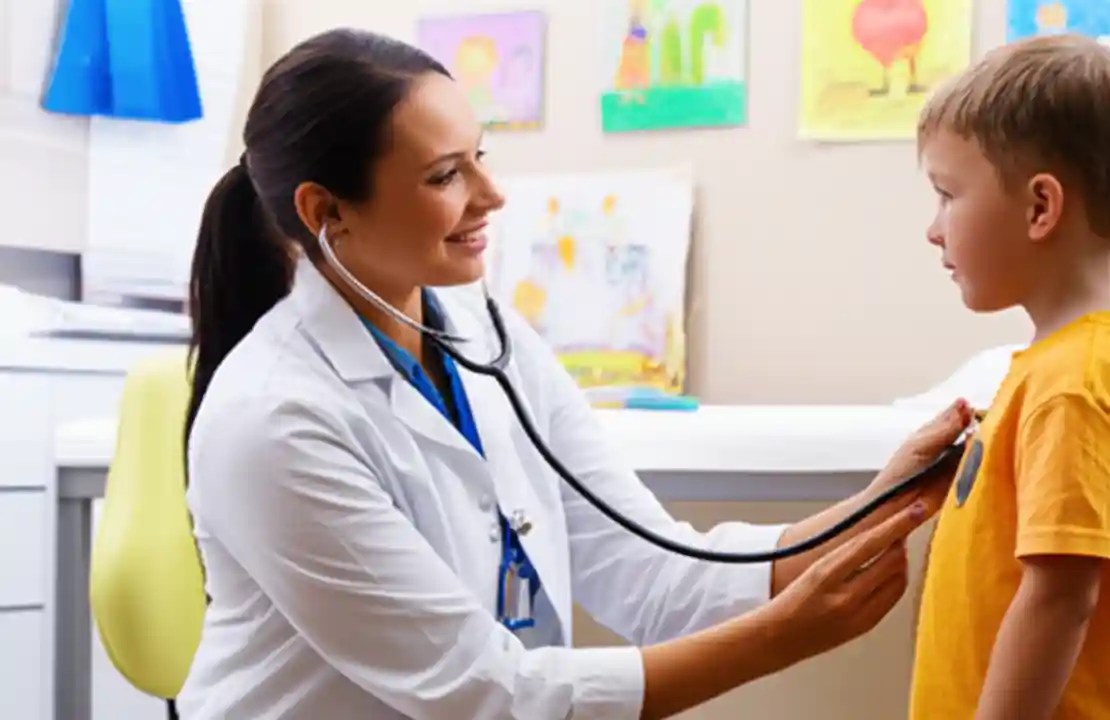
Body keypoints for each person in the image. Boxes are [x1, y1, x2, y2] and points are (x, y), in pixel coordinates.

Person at [179, 28, 969, 719]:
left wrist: (874, 508)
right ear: (327, 212)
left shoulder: (488, 336)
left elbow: (655, 572)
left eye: (479, 156)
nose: (493, 194)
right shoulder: (273, 419)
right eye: (445, 176)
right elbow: (487, 695)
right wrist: (782, 637)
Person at [910, 34, 1110, 720]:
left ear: (1040, 208)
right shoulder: (1064, 365)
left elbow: (1060, 598)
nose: (933, 230)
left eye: (947, 195)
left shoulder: (1078, 383)